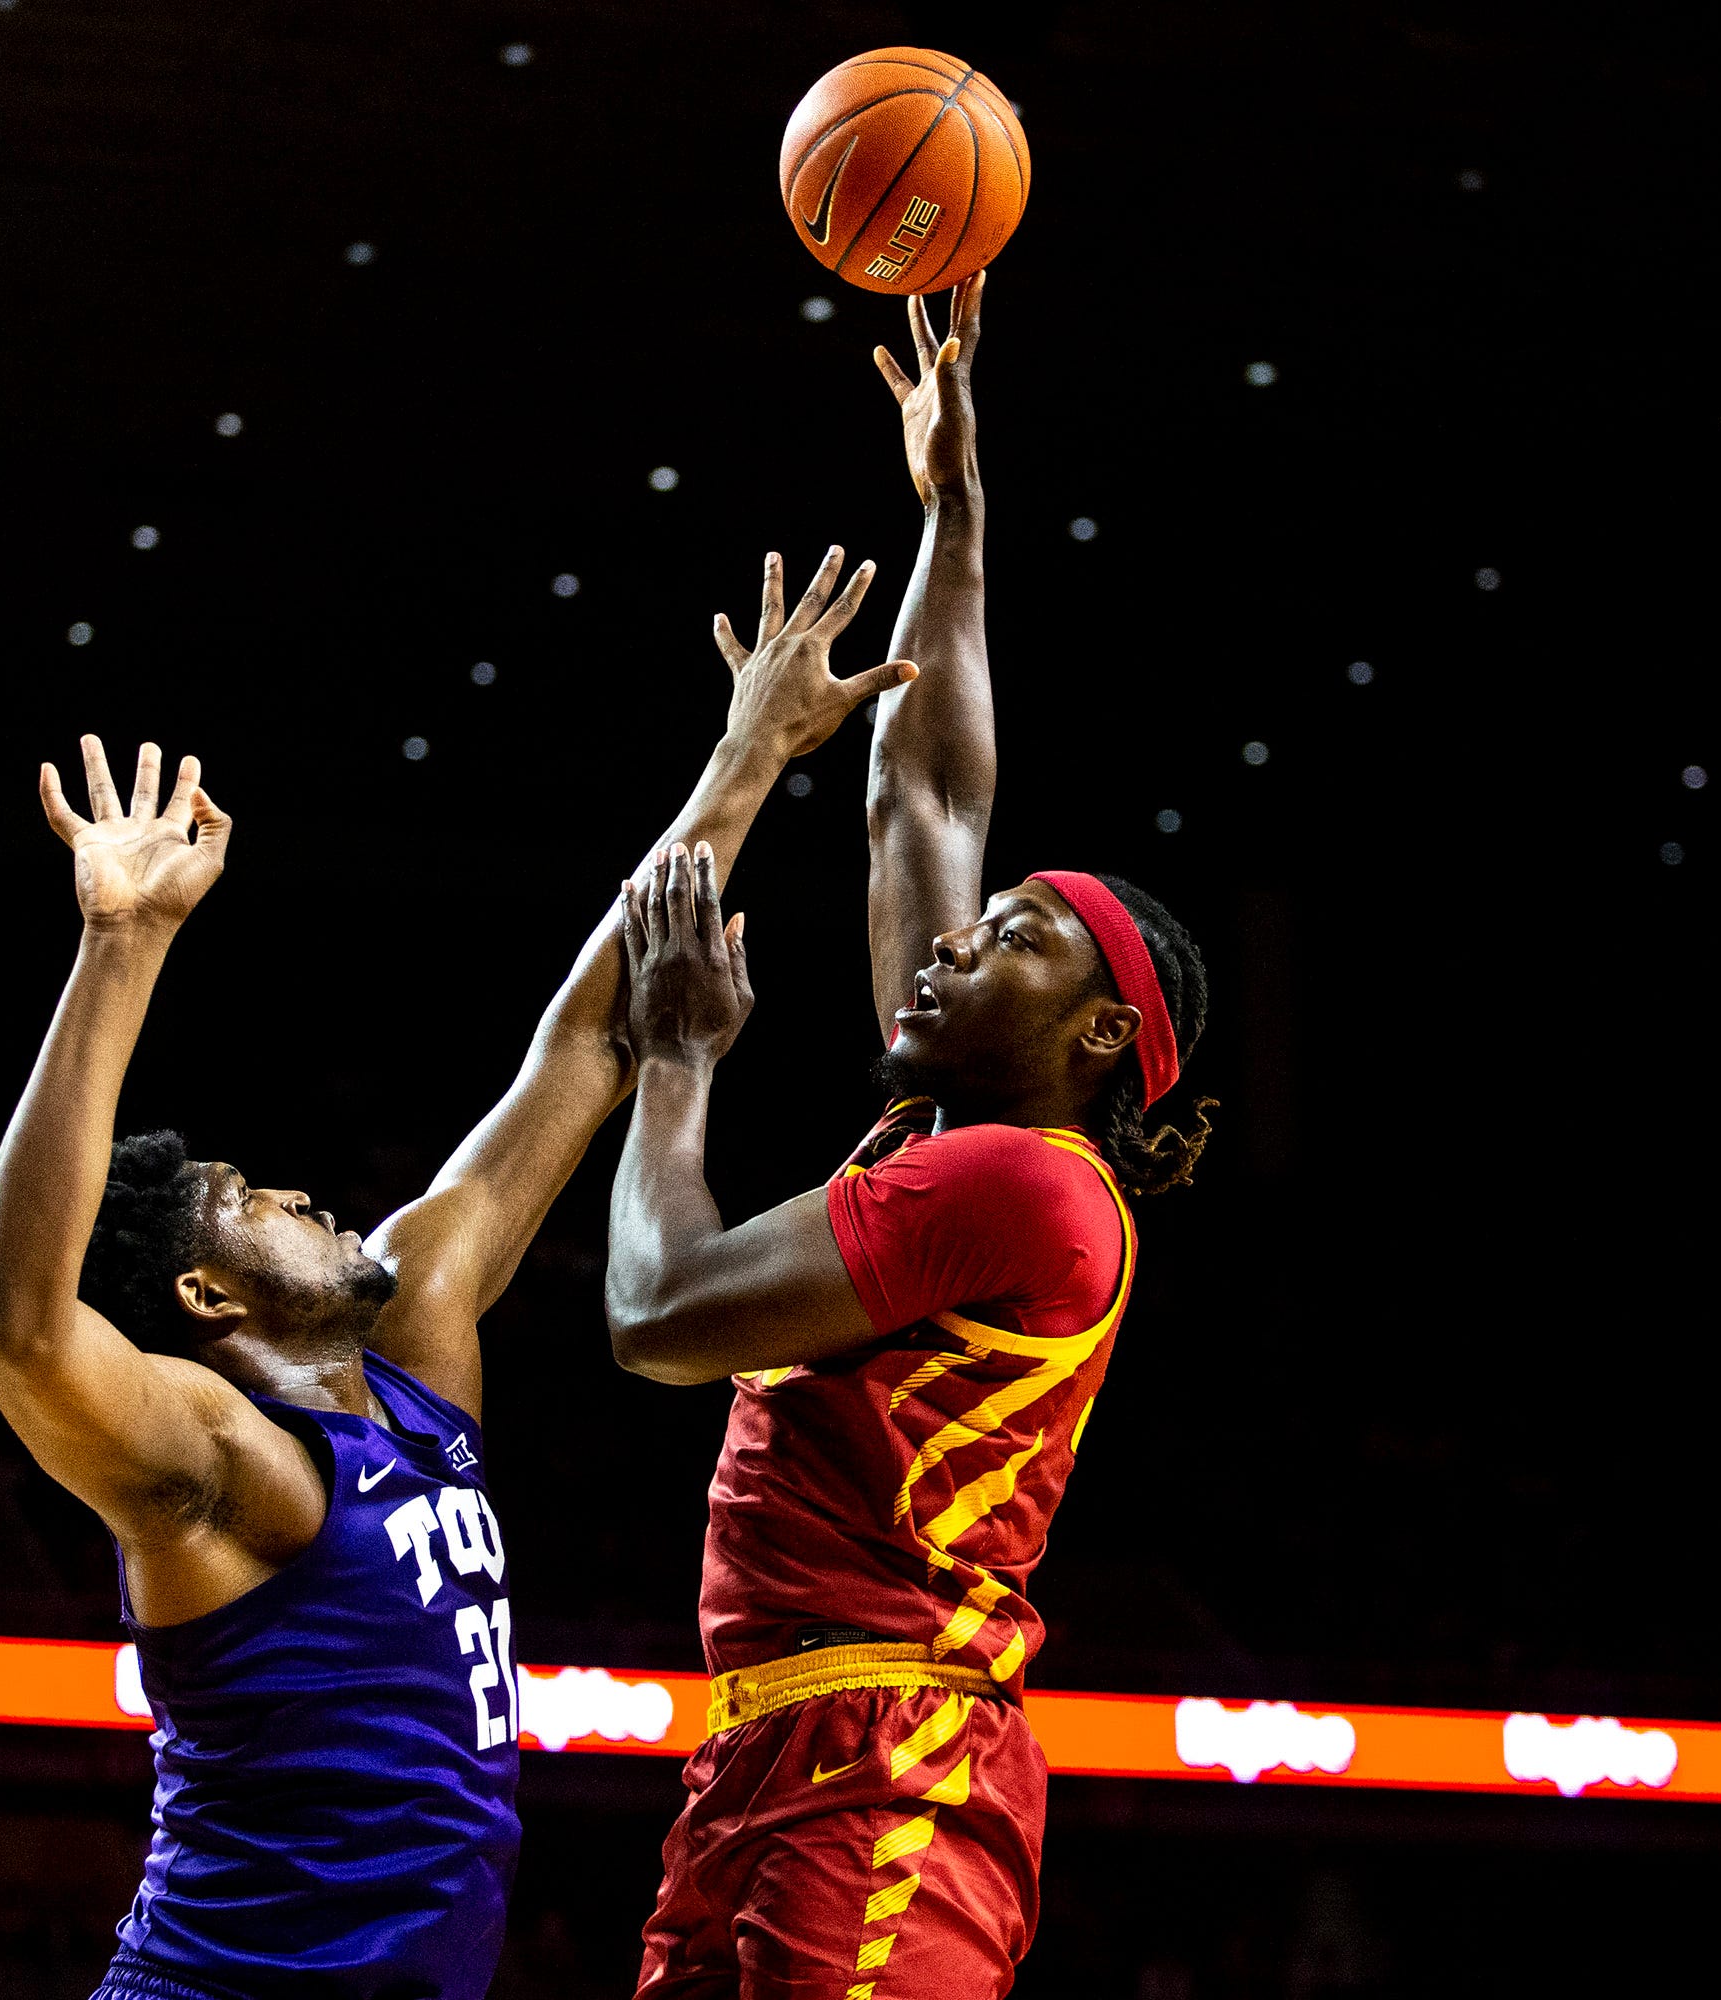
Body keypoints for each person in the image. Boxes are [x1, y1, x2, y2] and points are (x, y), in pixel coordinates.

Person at [0, 547, 915, 2000]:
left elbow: (584, 1048)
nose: (297, 1192)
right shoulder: (222, 1463)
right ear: (209, 1302)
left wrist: (748, 753)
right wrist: (122, 941)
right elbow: (14, 1320)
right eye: (248, 1204)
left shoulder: (417, 1355)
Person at [605, 274, 1216, 1998]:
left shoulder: (1021, 1181)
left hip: (893, 1770)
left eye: (1017, 937)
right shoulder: (942, 1129)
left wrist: (678, 1060)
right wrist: (952, 501)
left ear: (1102, 1037)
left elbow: (654, 1314)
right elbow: (924, 793)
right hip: (774, 1754)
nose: (961, 937)